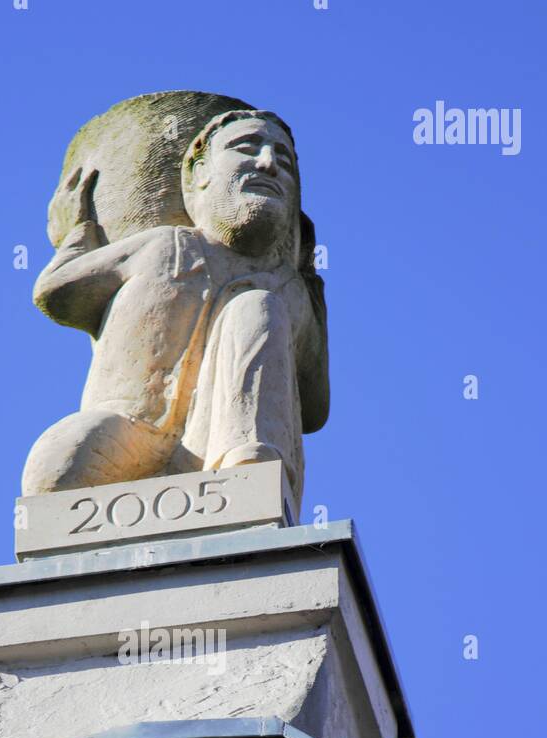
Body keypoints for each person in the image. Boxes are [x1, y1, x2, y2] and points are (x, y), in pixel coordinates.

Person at [22, 109, 329, 514]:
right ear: (200, 172)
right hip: (126, 431)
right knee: (56, 475)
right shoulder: (163, 246)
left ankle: (247, 475)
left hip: (216, 447)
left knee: (258, 306)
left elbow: (314, 406)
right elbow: (56, 292)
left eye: (284, 162)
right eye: (246, 148)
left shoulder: (287, 288)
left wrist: (310, 287)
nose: (268, 164)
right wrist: (75, 232)